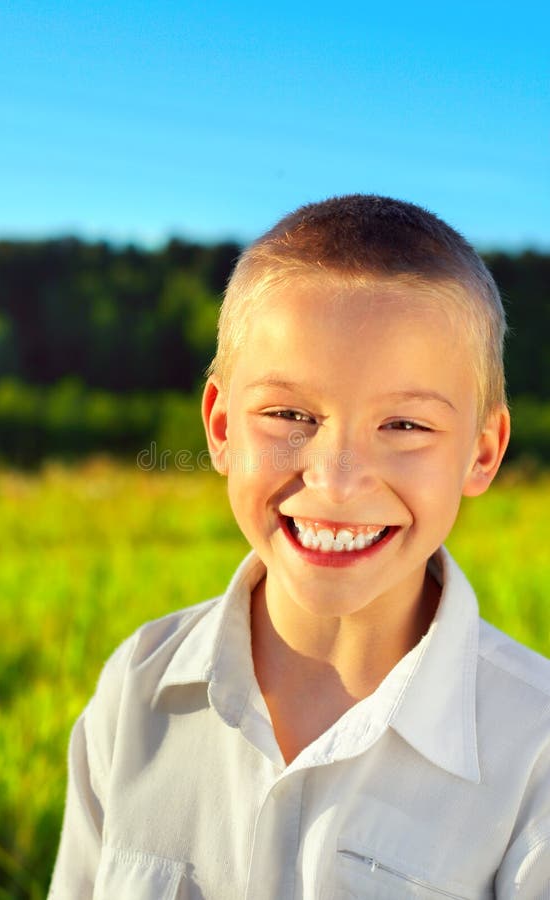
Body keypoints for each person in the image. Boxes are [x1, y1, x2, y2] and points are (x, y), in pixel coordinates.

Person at [49, 195, 550, 899]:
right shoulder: (136, 690)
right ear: (221, 429)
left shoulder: (535, 749)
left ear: (482, 452)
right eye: (289, 415)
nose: (338, 482)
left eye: (404, 425)